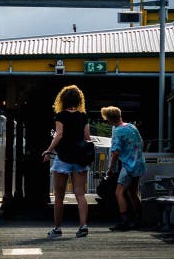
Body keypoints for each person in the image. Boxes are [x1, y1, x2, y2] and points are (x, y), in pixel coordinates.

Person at [42, 85, 91, 239]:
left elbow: (59, 134)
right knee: (80, 194)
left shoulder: (61, 115)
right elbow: (87, 138)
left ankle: (57, 229)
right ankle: (83, 226)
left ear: (62, 100)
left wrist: (48, 150)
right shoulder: (83, 116)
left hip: (63, 158)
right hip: (80, 159)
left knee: (59, 196)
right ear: (78, 100)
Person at [101, 106, 146, 231]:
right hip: (139, 164)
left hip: (128, 166)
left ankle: (124, 221)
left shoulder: (118, 131)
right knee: (132, 192)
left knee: (119, 192)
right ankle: (139, 220)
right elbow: (142, 143)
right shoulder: (132, 127)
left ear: (110, 120)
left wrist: (110, 169)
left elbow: (115, 152)